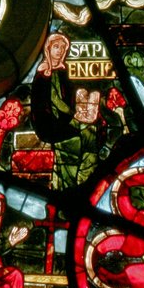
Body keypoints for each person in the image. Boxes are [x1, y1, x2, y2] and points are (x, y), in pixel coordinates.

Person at [29, 32, 101, 188]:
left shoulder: (61, 70)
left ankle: (87, 178)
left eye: (63, 48)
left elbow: (68, 96)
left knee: (90, 132)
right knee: (74, 140)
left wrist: (79, 109)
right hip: (48, 123)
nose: (60, 51)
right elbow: (54, 99)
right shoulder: (44, 72)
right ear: (48, 49)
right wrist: (73, 114)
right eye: (56, 47)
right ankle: (67, 184)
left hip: (64, 119)